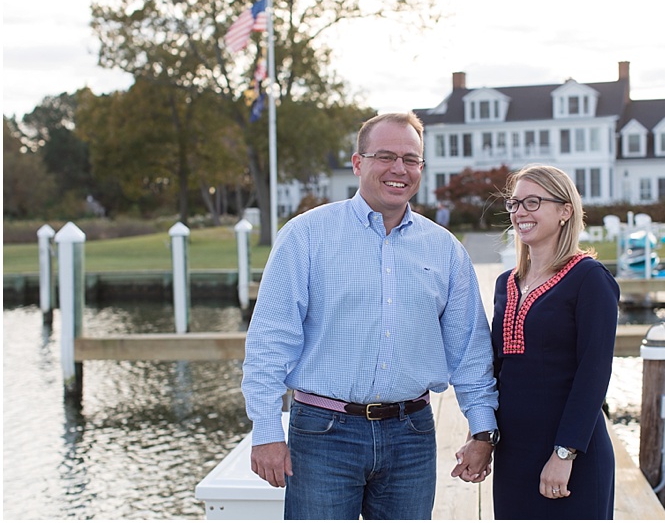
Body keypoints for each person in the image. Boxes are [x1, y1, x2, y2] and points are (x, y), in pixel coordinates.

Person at [242, 112, 499, 520]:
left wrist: (483, 430)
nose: (399, 169)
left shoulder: (446, 250)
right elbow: (270, 341)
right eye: (385, 156)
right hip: (323, 434)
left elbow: (469, 351)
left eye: (411, 159)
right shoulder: (306, 236)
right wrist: (266, 429)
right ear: (358, 162)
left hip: (411, 434)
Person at [490, 164, 620, 519]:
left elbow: (593, 374)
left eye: (533, 202)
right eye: (515, 204)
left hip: (570, 454)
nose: (520, 213)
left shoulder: (590, 279)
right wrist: (482, 437)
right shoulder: (507, 283)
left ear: (565, 211)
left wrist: (564, 453)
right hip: (513, 454)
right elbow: (496, 369)